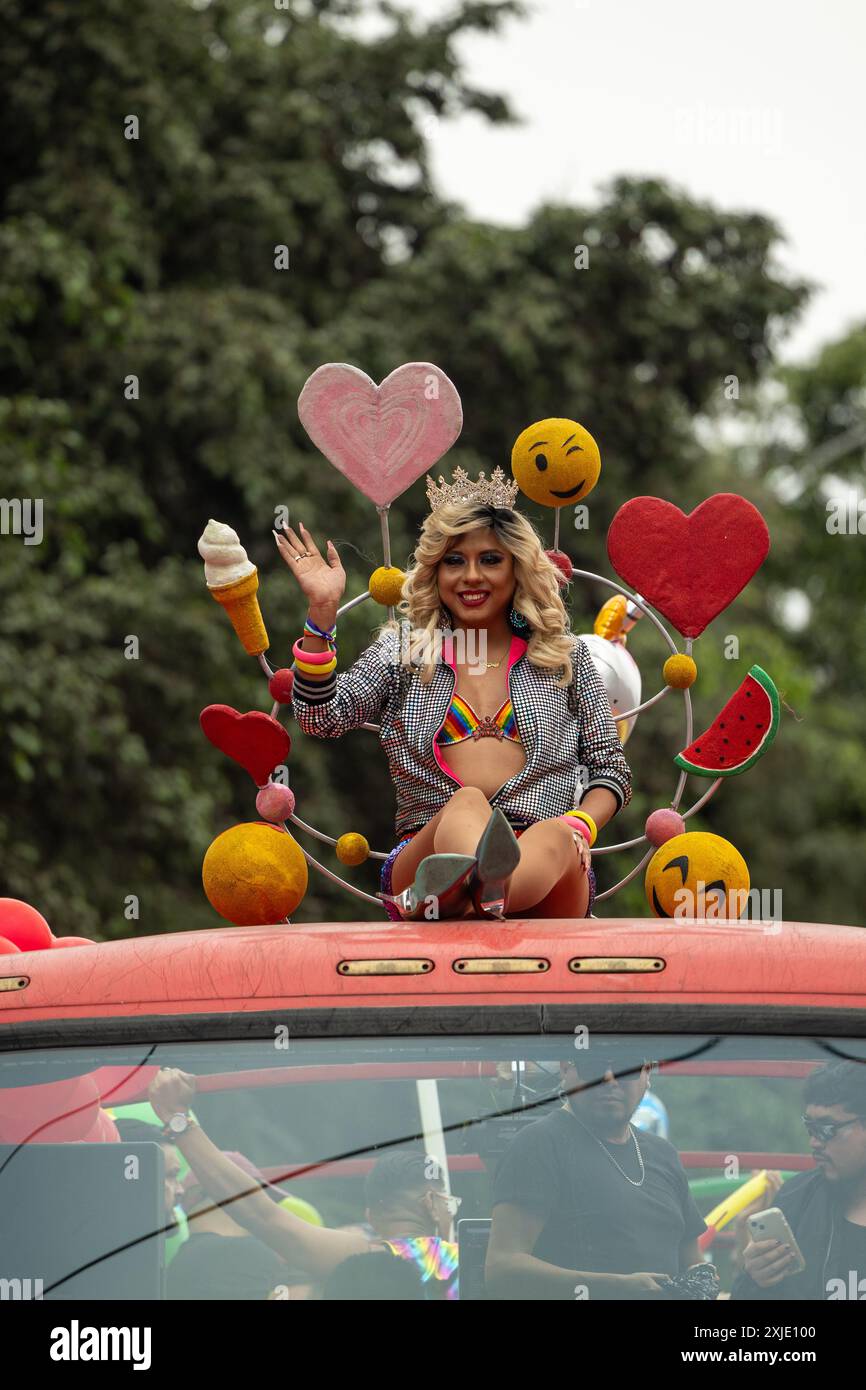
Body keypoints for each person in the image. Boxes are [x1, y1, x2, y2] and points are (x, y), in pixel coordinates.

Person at [274, 467, 631, 922]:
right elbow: (321, 717)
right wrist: (320, 617)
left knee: (560, 836)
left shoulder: (565, 656)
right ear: (435, 571)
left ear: (517, 568)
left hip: (544, 870)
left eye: (491, 560)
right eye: (454, 561)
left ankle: (488, 886)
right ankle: (475, 880)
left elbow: (610, 768)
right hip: (429, 856)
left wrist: (581, 823)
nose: (471, 576)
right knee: (466, 805)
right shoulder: (405, 649)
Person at [149, 1069, 459, 1298]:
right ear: (432, 1204)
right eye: (449, 1203)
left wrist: (178, 1120)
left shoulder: (360, 1257)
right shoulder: (462, 1260)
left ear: (371, 1217)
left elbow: (260, 1214)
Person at [485, 1043, 706, 1299]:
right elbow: (501, 1270)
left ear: (647, 1074)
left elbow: (694, 1263)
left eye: (626, 1066)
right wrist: (618, 1288)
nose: (609, 1079)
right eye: (594, 1066)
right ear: (566, 1070)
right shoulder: (539, 1144)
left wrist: (707, 1280)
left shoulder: (663, 1154)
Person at [732, 1061, 866, 1301]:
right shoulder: (796, 1199)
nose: (814, 1142)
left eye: (826, 1128)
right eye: (810, 1128)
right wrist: (754, 1279)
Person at [166, 1152, 294, 1301]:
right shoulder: (244, 1252)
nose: (268, 1208)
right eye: (262, 1196)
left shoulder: (180, 1263)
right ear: (229, 1191)